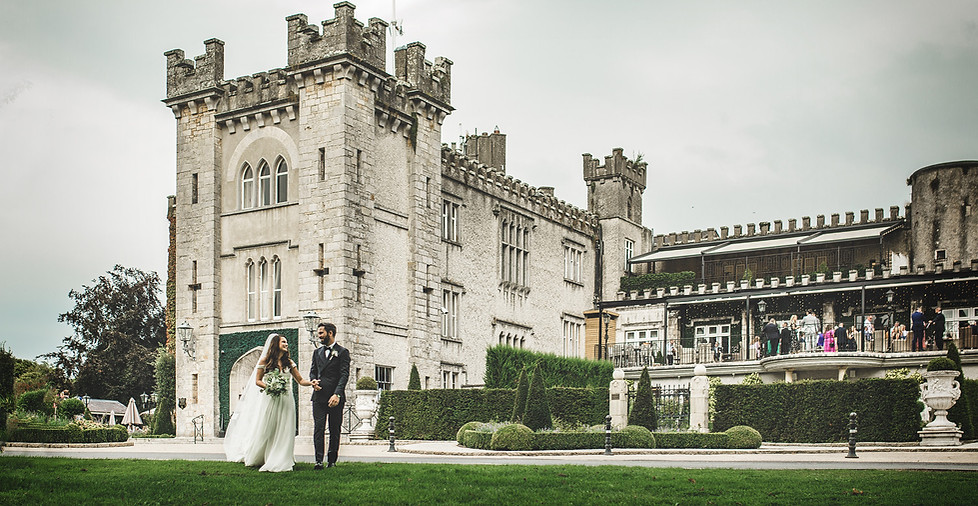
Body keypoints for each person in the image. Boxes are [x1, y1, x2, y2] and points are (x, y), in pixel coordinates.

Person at [224, 333, 318, 472]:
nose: (286, 344)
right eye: (283, 342)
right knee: (267, 426)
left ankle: (282, 457)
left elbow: (300, 380)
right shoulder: (265, 361)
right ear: (275, 344)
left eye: (286, 342)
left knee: (285, 428)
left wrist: (311, 383)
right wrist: (270, 387)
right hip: (270, 398)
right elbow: (258, 381)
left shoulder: (289, 363)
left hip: (286, 399)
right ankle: (261, 456)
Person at [310, 322, 351, 469]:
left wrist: (337, 394)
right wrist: (313, 382)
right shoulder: (317, 352)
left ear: (330, 333)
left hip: (335, 397)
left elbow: (344, 375)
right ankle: (318, 461)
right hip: (319, 396)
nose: (319, 336)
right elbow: (313, 371)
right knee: (318, 429)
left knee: (334, 429)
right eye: (318, 333)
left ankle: (332, 461)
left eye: (321, 333)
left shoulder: (343, 352)